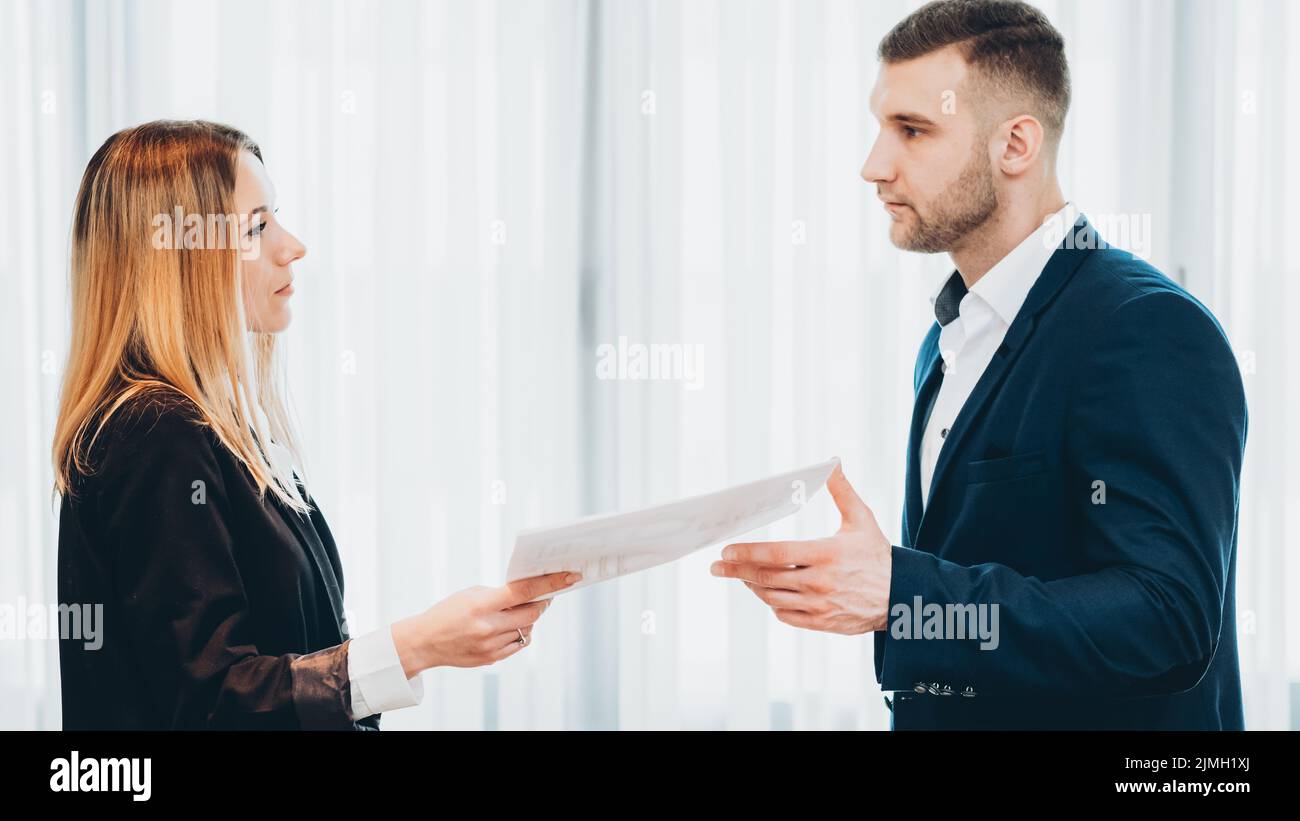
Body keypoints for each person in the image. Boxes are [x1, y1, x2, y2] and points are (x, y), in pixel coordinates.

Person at [710, 0, 1247, 730]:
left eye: (913, 130)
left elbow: (1168, 617)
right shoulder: (946, 338)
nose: (873, 166)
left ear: (1016, 145)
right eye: (880, 125)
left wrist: (903, 597)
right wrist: (888, 593)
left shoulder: (1146, 327)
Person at [53, 120, 579, 730]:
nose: (292, 245)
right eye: (256, 227)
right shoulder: (153, 434)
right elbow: (209, 704)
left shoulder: (214, 431)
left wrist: (417, 650)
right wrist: (418, 647)